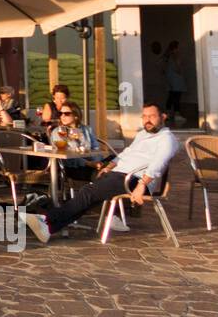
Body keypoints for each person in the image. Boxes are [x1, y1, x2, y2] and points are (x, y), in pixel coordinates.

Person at [27, 103, 179, 243]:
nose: (147, 120)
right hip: (119, 174)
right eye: (144, 116)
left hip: (134, 179)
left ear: (163, 117)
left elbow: (158, 163)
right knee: (89, 197)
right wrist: (109, 166)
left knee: (88, 192)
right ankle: (49, 227)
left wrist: (142, 185)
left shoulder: (167, 139)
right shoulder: (142, 135)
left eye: (151, 116)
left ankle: (46, 220)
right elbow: (126, 153)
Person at [163, 41, 187, 122]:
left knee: (171, 96)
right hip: (176, 79)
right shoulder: (175, 56)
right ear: (176, 48)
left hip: (170, 79)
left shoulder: (167, 56)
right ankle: (177, 115)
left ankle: (167, 114)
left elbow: (163, 68)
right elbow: (178, 68)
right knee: (176, 97)